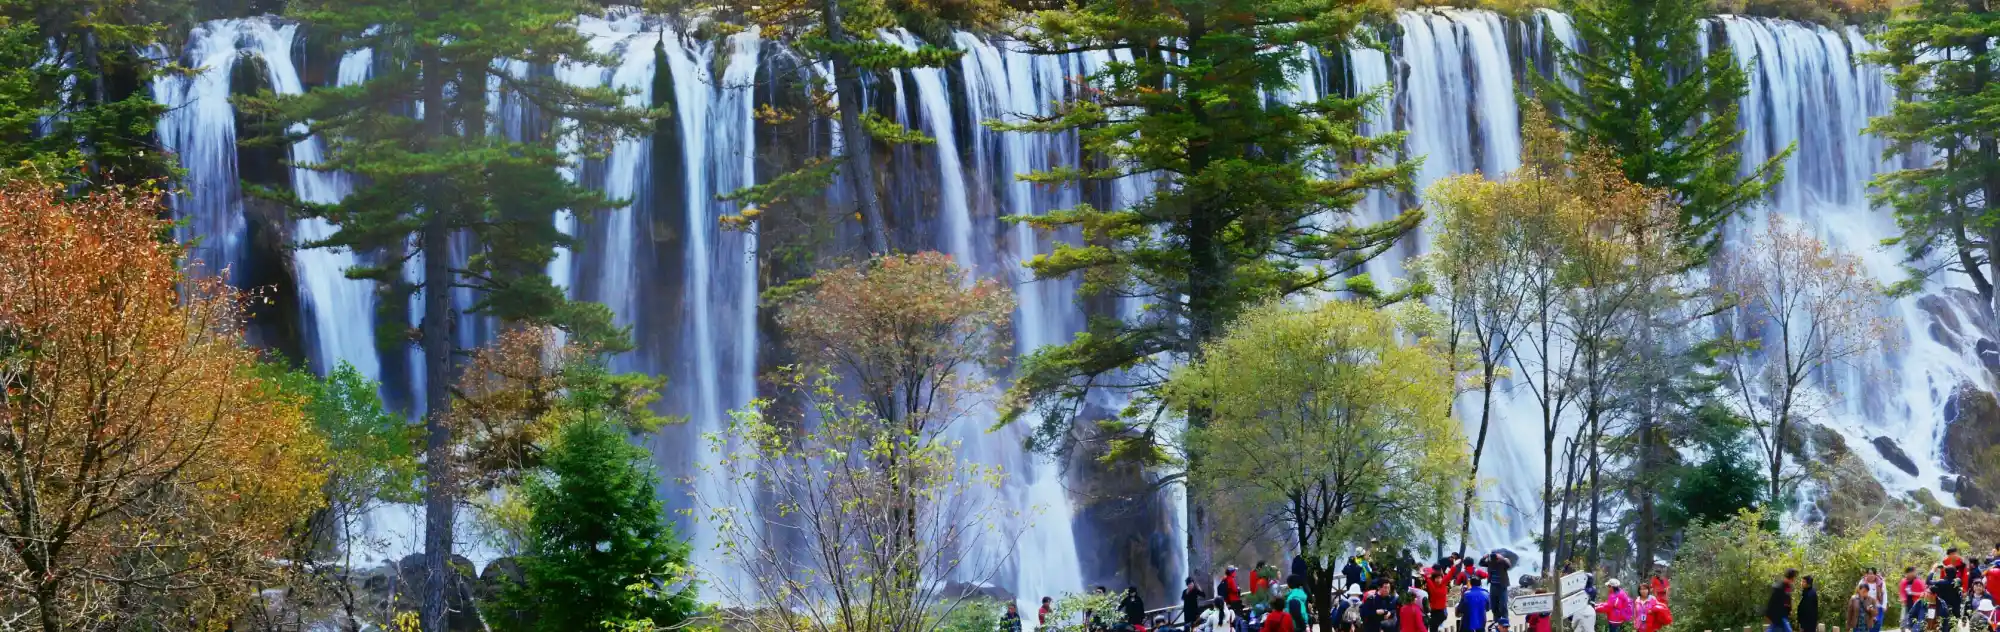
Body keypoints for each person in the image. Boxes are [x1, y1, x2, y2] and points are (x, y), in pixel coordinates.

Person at [1482, 551, 1513, 622]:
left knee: (1503, 605)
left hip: (1502, 586)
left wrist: (1502, 558)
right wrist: (1484, 557)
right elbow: (1481, 563)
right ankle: (1496, 621)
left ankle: (1505, 622)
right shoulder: (1490, 563)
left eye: (1495, 558)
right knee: (1494, 605)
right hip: (1493, 586)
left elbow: (1508, 565)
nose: (1493, 560)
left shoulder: (1502, 563)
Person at [1423, 566, 1455, 632]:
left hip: (1441, 612)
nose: (1439, 580)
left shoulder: (1443, 583)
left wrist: (1454, 566)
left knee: (1433, 627)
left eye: (1440, 578)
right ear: (1433, 579)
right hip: (1434, 611)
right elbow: (1428, 580)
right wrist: (1425, 575)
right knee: (1433, 627)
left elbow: (1449, 575)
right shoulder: (1432, 585)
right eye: (1437, 578)